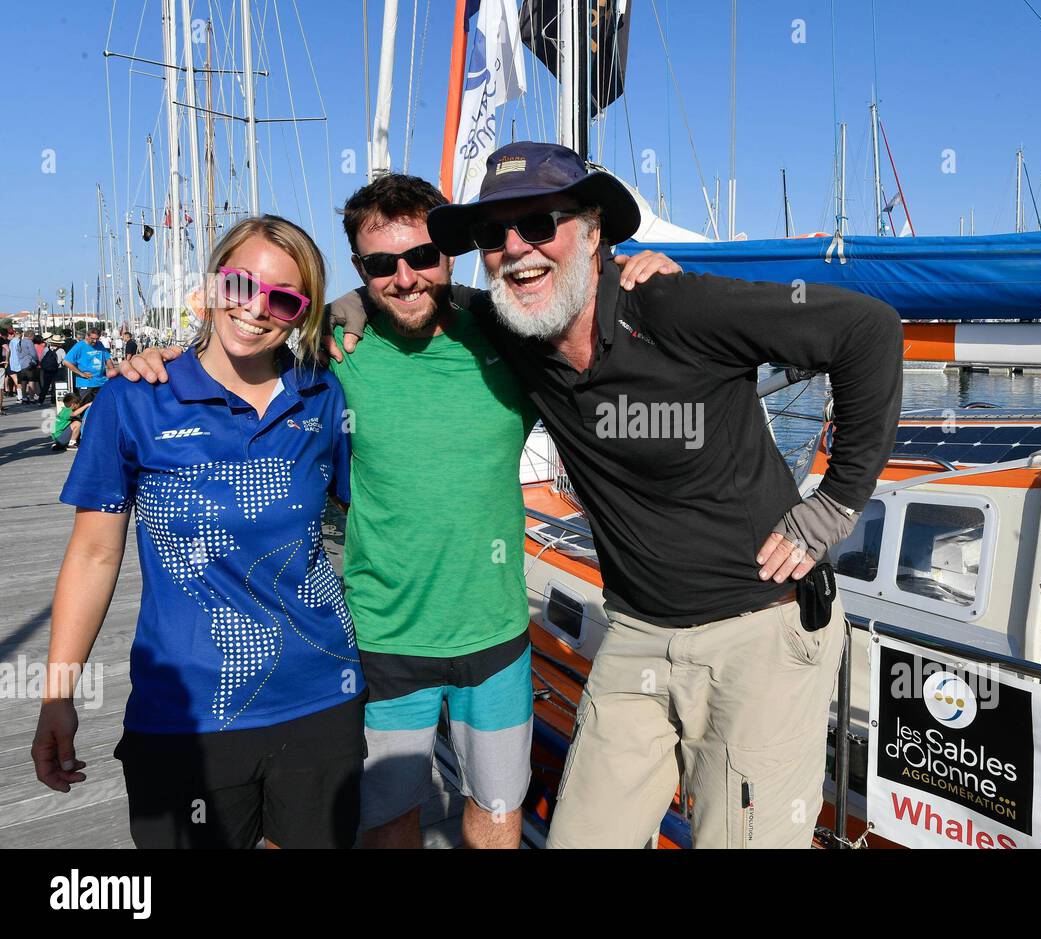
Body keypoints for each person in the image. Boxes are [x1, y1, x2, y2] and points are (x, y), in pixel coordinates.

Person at [115, 177, 677, 850]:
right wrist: (164, 361)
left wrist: (642, 272)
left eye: (422, 257)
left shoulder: (509, 341)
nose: (404, 277)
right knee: (388, 820)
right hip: (381, 643)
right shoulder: (331, 359)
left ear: (452, 253)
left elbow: (580, 311)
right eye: (381, 265)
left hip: (495, 636)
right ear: (359, 269)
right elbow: (240, 360)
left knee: (497, 808)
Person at [418, 142, 902, 849]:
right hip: (637, 634)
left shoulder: (672, 305)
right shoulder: (513, 323)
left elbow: (868, 331)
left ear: (593, 232)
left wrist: (831, 507)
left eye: (539, 224)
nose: (515, 249)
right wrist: (345, 307)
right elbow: (421, 299)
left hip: (758, 636)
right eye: (493, 235)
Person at [32, 215, 365, 849]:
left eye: (283, 298)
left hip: (322, 695)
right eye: (240, 285)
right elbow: (94, 557)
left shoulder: (323, 395)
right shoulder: (132, 399)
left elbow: (363, 517)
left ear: (302, 312)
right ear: (212, 284)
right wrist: (57, 694)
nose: (255, 310)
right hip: (185, 713)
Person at [64, 327, 110, 403]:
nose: (95, 341)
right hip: (86, 383)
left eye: (97, 339)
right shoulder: (79, 346)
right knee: (85, 406)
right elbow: (66, 362)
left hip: (101, 381)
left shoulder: (99, 344)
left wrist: (113, 372)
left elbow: (107, 359)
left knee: (101, 405)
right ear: (87, 336)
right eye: (92, 338)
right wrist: (81, 374)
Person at [9, 329, 39, 403]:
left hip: (21, 364)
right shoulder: (29, 342)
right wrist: (36, 360)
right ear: (31, 336)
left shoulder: (20, 341)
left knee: (23, 381)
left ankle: (24, 397)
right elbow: (33, 353)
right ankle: (31, 398)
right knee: (31, 380)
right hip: (29, 363)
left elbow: (17, 352)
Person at [37, 334, 63, 405]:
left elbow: (41, 359)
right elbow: (64, 360)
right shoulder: (61, 350)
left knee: (46, 386)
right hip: (57, 370)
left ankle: (40, 401)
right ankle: (53, 401)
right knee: (55, 386)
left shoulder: (46, 349)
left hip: (47, 370)